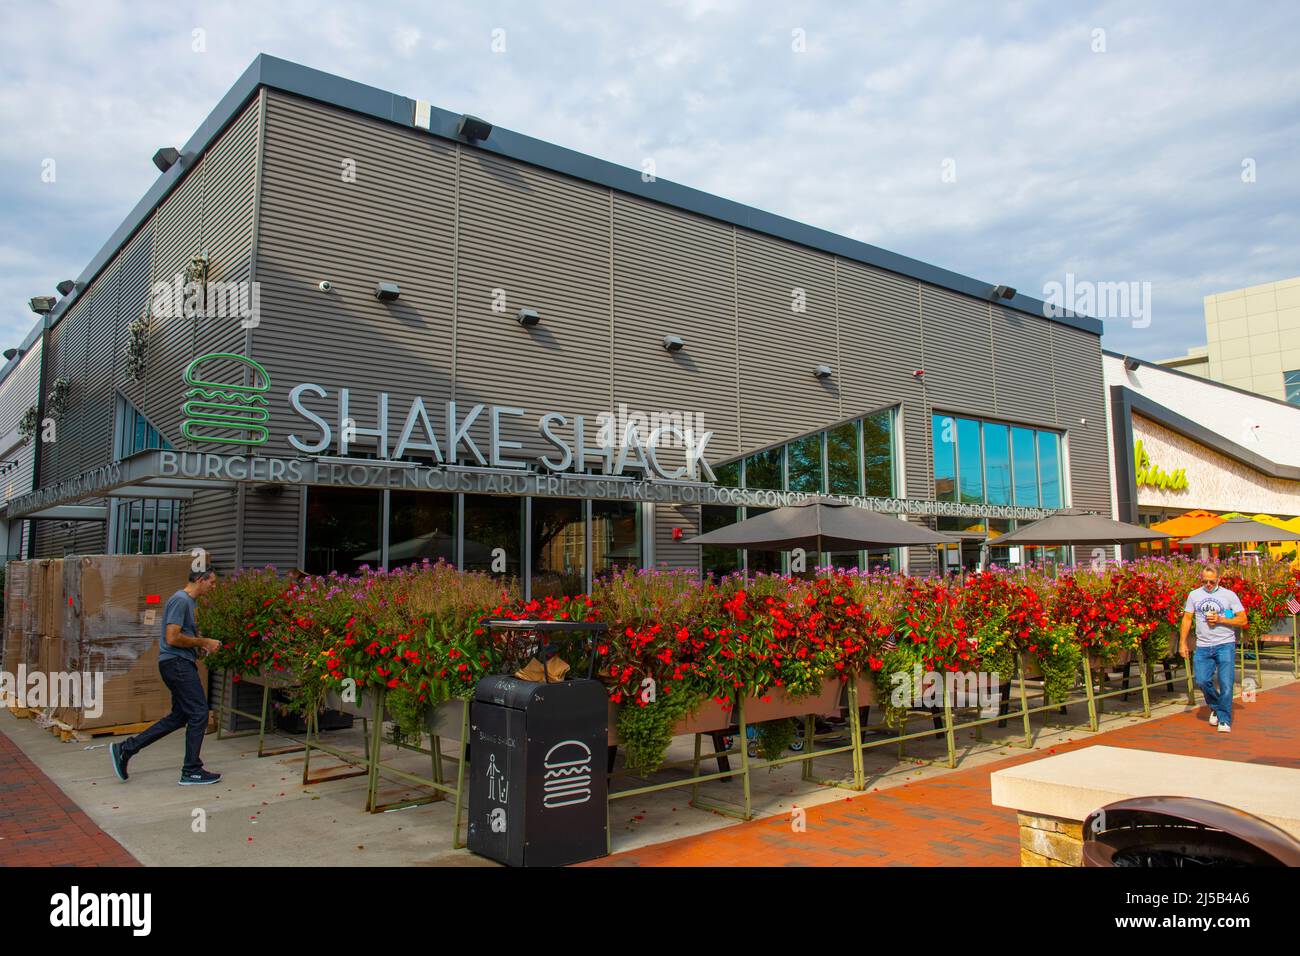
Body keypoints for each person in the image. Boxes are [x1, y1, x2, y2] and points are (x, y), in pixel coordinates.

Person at [110, 568, 223, 784]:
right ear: (200, 580)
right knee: (199, 713)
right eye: (212, 582)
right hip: (177, 664)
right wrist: (204, 642)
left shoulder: (188, 603)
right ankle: (191, 770)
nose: (214, 587)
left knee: (180, 716)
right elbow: (172, 638)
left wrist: (198, 646)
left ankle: (126, 748)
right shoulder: (181, 600)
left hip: (178, 663)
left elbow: (180, 636)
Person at [1179, 564, 1247, 734]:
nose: (1208, 584)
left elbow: (1243, 620)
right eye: (1205, 581)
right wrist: (1183, 642)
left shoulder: (1229, 595)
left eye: (1211, 581)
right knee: (1201, 681)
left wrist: (1221, 619)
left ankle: (1224, 719)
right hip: (1203, 646)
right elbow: (1187, 619)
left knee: (1226, 683)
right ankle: (1217, 707)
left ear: (1219, 579)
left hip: (1225, 644)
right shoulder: (1194, 595)